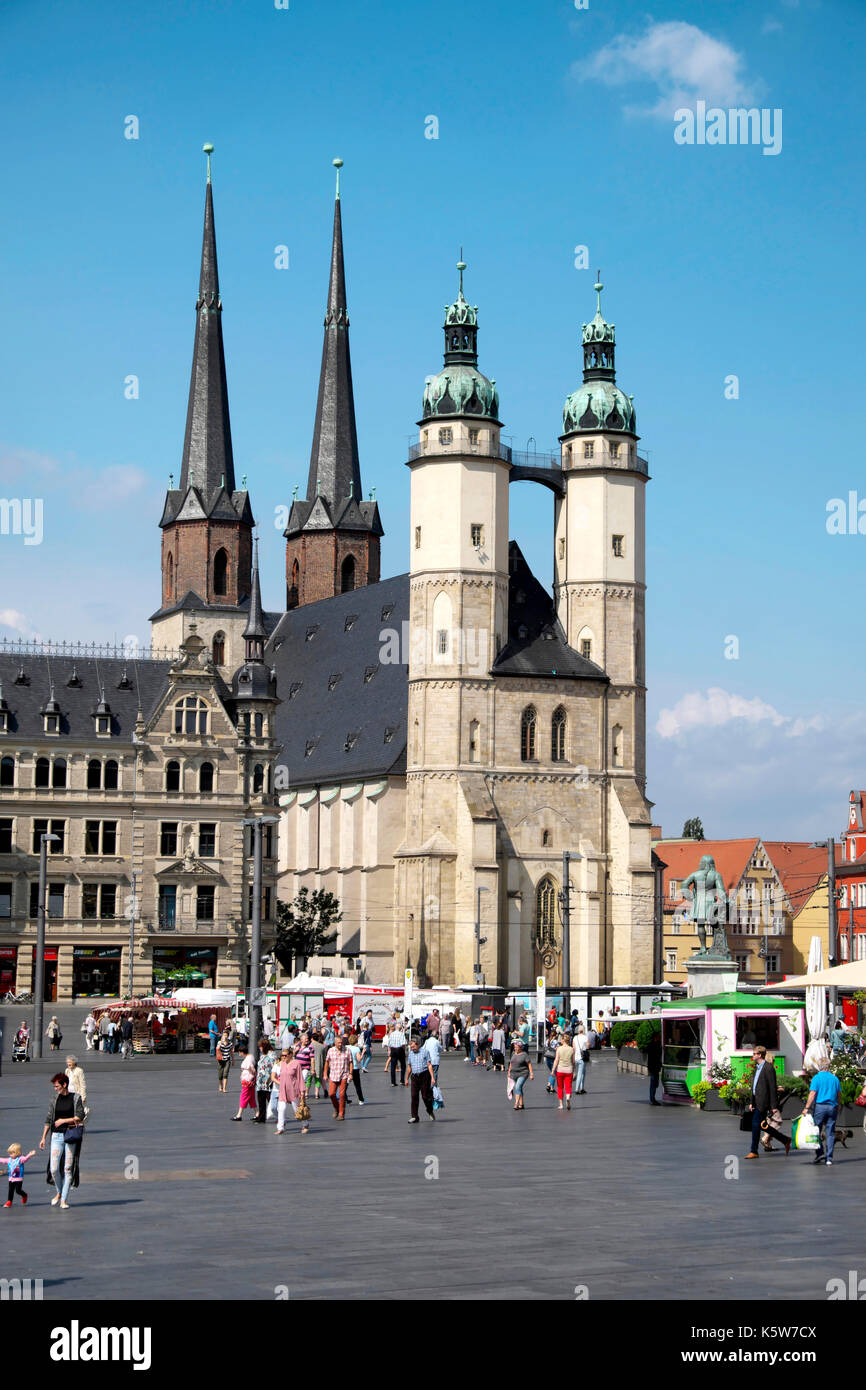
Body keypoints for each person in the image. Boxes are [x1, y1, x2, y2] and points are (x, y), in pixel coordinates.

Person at [39, 1073, 85, 1209]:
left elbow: (80, 1116)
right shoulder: (54, 1099)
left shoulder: (75, 1098)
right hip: (56, 1136)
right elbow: (48, 1119)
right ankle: (59, 1192)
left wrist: (63, 1120)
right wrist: (43, 1137)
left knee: (67, 1168)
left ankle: (64, 1199)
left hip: (71, 1135)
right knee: (54, 1169)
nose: (55, 1088)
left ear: (64, 1085)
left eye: (57, 1086)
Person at [746, 1045, 790, 1159]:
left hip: (764, 1102)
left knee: (755, 1124)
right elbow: (754, 1086)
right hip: (757, 1100)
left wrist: (774, 1106)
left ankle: (754, 1151)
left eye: (754, 1054)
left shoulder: (768, 1068)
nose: (753, 1055)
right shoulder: (757, 1067)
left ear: (760, 1055)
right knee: (763, 1125)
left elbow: (772, 1087)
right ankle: (785, 1140)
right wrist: (752, 1102)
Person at [802, 1057, 842, 1165]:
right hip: (832, 1107)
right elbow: (839, 1095)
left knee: (816, 1131)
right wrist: (838, 1105)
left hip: (820, 1107)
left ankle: (819, 1153)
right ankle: (829, 1158)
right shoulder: (835, 1079)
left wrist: (806, 1108)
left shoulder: (816, 1078)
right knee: (830, 1133)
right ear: (828, 1066)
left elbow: (812, 1093)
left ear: (819, 1066)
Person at [276, 1047, 309, 1135]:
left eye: (285, 1055)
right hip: (283, 1090)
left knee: (297, 1109)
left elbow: (300, 1078)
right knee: (281, 1109)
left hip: (293, 1090)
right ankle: (280, 1127)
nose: (283, 1057)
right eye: (282, 1055)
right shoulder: (281, 1064)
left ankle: (305, 1124)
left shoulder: (296, 1064)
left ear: (290, 1055)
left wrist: (302, 1091)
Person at [405, 1038, 436, 1122]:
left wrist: (433, 1077)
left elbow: (429, 1065)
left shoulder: (425, 1052)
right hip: (415, 1077)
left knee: (425, 1096)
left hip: (424, 1075)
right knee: (414, 1096)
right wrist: (407, 1079)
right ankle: (415, 1116)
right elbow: (409, 1067)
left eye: (414, 1047)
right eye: (411, 1047)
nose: (412, 1048)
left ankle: (430, 1110)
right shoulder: (411, 1054)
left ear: (418, 1045)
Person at [324, 1034, 353, 1120]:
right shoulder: (330, 1051)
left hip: (344, 1074)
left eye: (341, 1043)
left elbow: (351, 1062)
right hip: (333, 1075)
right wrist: (325, 1074)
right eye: (338, 1043)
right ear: (335, 1043)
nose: (340, 1044)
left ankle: (341, 1113)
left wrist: (351, 1073)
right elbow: (327, 1062)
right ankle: (336, 1108)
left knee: (342, 1095)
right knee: (331, 1094)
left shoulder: (347, 1050)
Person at [2, 1143, 36, 1207]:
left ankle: (24, 1195)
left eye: (12, 1153)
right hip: (11, 1178)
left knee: (18, 1190)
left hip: (18, 1178)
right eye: (9, 1153)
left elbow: (25, 1159)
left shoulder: (20, 1159)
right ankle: (9, 1201)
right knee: (10, 1190)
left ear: (17, 1152)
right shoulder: (9, 1160)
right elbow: (3, 1160)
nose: (10, 1155)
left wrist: (30, 1154)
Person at [231, 1045, 258, 1121]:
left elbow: (252, 1069)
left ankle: (239, 1115)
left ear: (242, 1052)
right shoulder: (250, 1057)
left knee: (244, 1097)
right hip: (249, 1081)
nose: (239, 1054)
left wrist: (251, 1076)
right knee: (251, 1098)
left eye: (240, 1052)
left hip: (247, 1081)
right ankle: (257, 1113)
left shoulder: (248, 1060)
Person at [552, 1033, 576, 1111]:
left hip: (560, 1070)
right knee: (568, 1086)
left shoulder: (559, 1049)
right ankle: (568, 1097)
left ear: (563, 1040)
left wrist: (553, 1070)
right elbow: (573, 1061)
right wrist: (574, 1070)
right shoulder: (572, 1049)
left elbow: (556, 1060)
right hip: (569, 1070)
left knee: (560, 1087)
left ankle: (561, 1104)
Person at [507, 1040, 534, 1111]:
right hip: (514, 1074)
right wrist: (509, 1072)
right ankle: (521, 1104)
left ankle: (516, 1104)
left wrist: (531, 1074)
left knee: (517, 1086)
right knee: (519, 1088)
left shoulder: (524, 1055)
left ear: (520, 1047)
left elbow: (529, 1064)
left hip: (523, 1073)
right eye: (514, 1047)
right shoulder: (513, 1053)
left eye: (517, 1047)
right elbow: (511, 1063)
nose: (515, 1048)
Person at [254, 1039, 273, 1123]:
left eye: (261, 1047)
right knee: (261, 1101)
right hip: (260, 1082)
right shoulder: (262, 1056)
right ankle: (261, 1117)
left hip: (268, 1082)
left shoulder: (271, 1056)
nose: (260, 1048)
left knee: (271, 1101)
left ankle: (279, 1116)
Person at [384, 1020, 407, 1087]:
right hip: (399, 1049)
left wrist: (389, 1051)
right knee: (403, 1065)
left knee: (393, 1066)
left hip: (393, 1049)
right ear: (400, 1028)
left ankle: (393, 1082)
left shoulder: (392, 1034)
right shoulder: (401, 1034)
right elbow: (403, 1044)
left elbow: (389, 1044)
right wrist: (404, 1050)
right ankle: (402, 1080)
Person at [347, 1033, 366, 1105]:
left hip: (347, 1068)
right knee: (357, 1085)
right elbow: (359, 1059)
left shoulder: (346, 1047)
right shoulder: (356, 1049)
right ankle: (361, 1100)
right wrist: (363, 1052)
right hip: (354, 1068)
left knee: (345, 1085)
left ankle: (345, 1098)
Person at [646, 1029, 662, 1106]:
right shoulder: (653, 1045)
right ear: (655, 1038)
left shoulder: (653, 1045)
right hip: (653, 1066)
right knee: (654, 1082)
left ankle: (652, 1098)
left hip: (653, 1066)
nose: (660, 1038)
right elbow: (656, 1055)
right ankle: (652, 1098)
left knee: (655, 1083)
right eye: (659, 1037)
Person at [216, 1027, 233, 1094]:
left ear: (228, 1036)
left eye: (226, 1035)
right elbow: (217, 1048)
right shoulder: (219, 1042)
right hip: (220, 1059)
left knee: (225, 1074)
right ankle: (221, 1085)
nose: (225, 1036)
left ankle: (224, 1088)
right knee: (220, 1074)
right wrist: (220, 1043)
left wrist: (233, 1060)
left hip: (227, 1059)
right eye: (224, 1035)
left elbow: (231, 1052)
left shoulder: (230, 1043)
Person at [575, 1025, 591, 1096]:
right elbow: (588, 1045)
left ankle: (582, 1088)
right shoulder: (585, 1037)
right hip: (582, 1057)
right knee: (581, 1073)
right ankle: (577, 1089)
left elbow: (573, 1047)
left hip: (576, 1056)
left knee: (582, 1072)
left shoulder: (575, 1038)